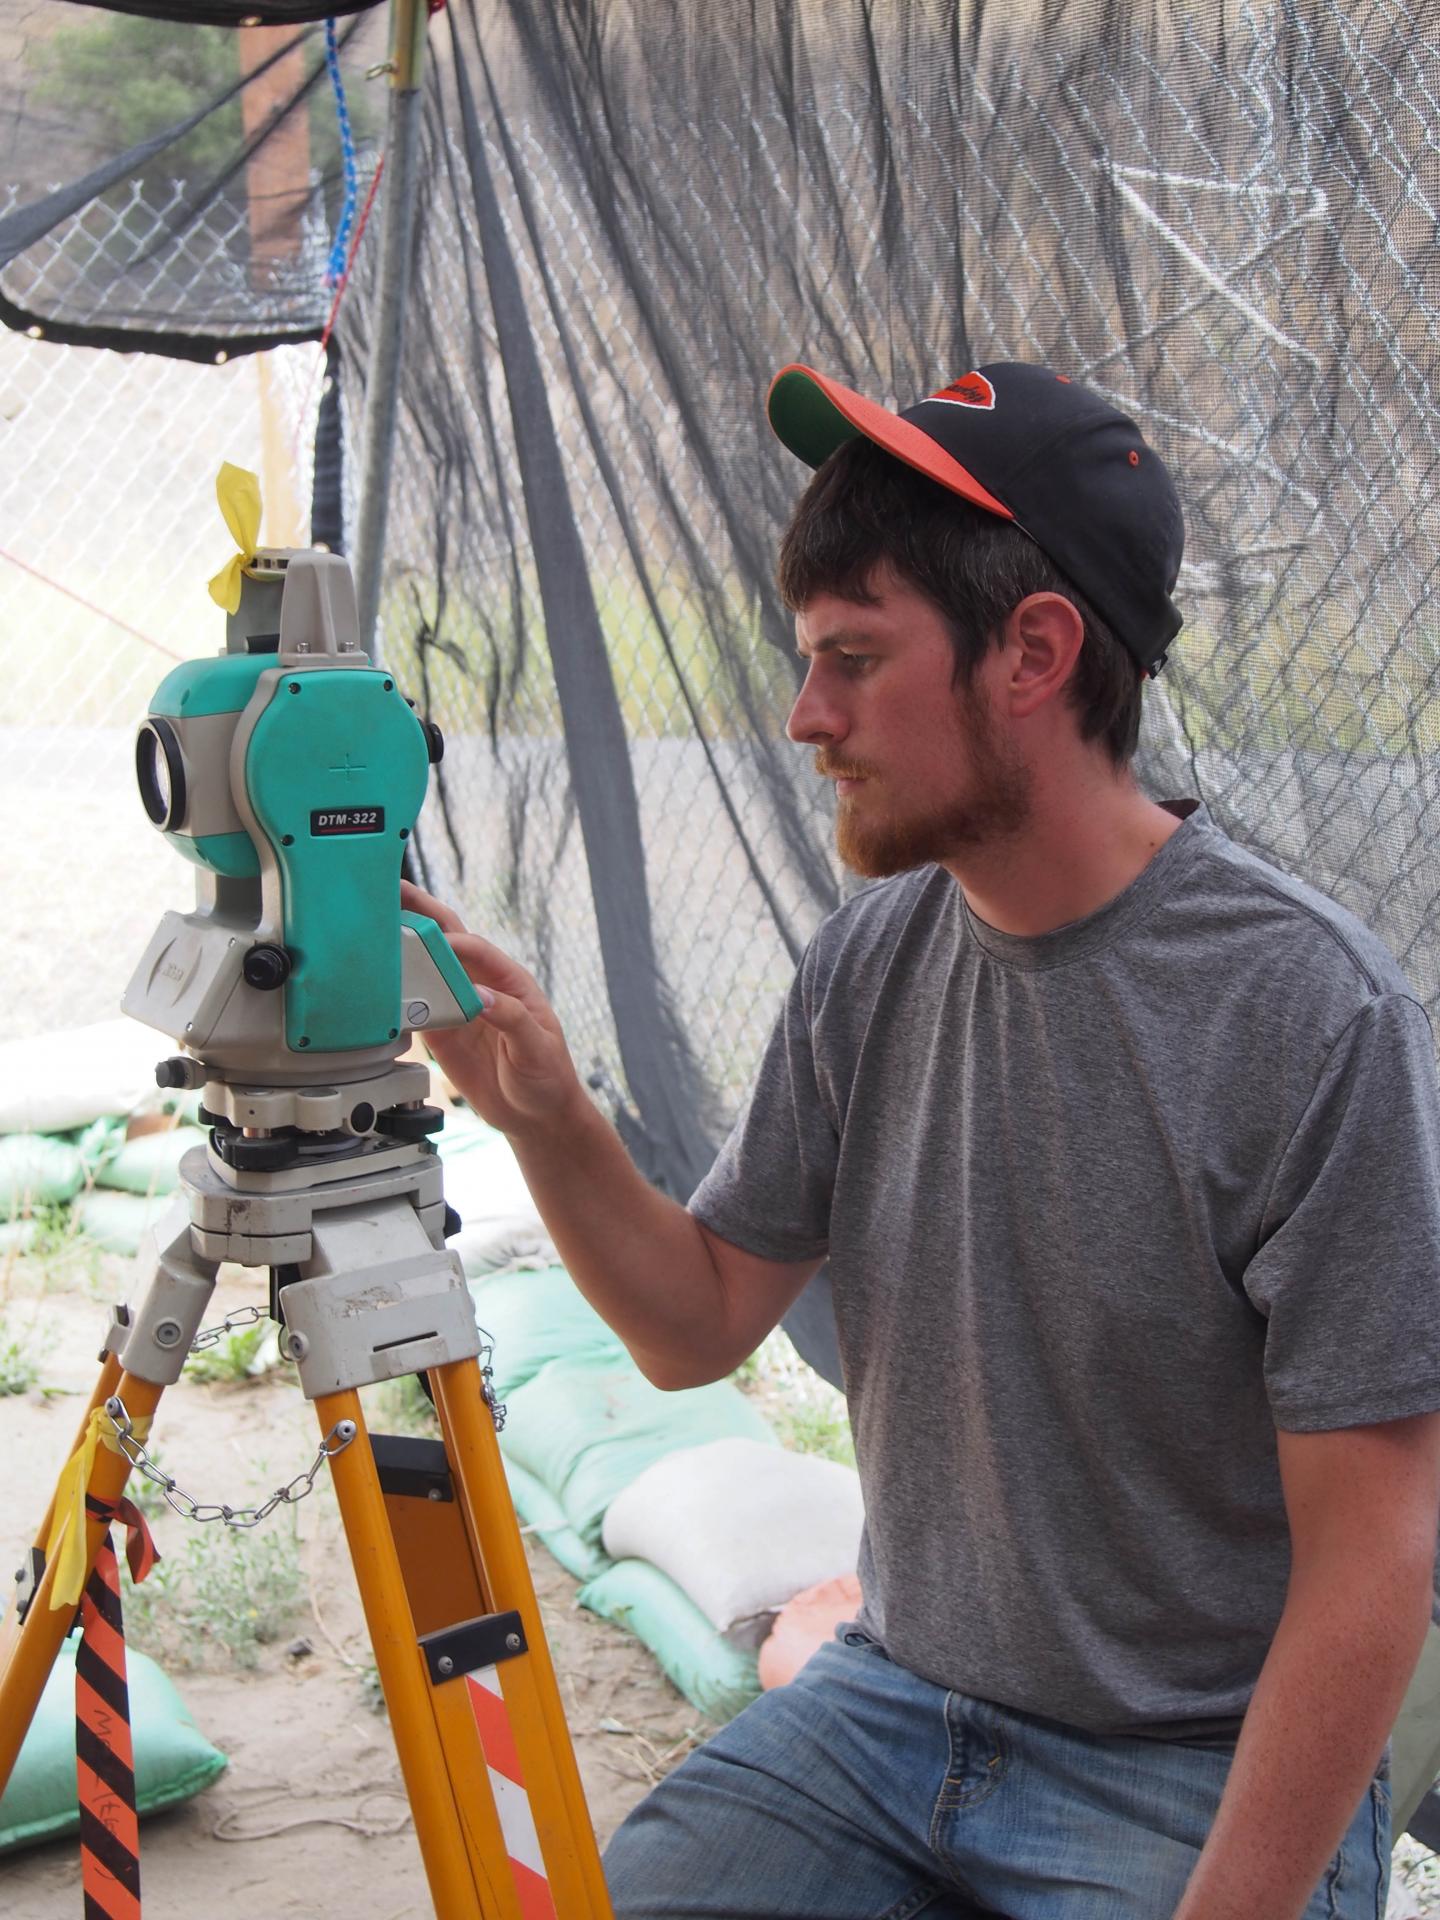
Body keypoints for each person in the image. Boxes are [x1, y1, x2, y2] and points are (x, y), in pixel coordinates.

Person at [404, 361, 1440, 1920]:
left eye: (853, 659)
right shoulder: (873, 955)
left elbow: (1375, 1568)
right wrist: (543, 1115)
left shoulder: (1309, 1018)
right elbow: (695, 1328)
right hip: (894, 1705)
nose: (806, 717)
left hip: (1184, 1761)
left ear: (1034, 651)